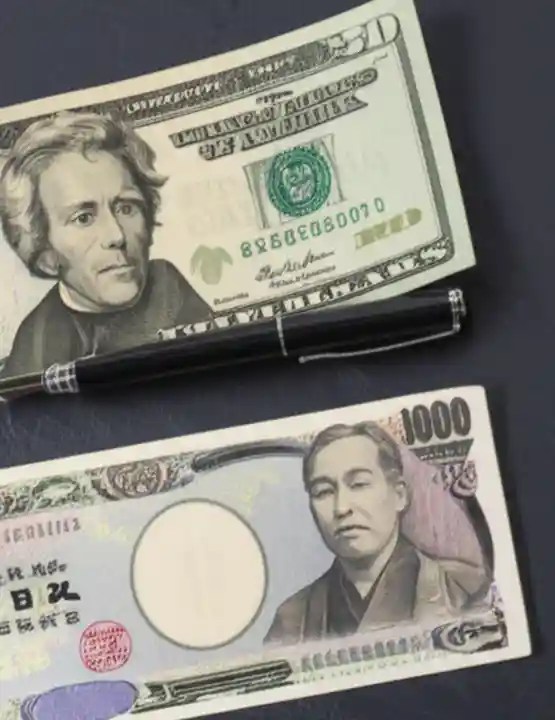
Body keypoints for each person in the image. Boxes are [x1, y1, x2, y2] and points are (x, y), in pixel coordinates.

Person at [0, 111, 212, 377]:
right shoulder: (38, 346)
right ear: (46, 255)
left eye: (126, 207)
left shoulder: (166, 284)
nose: (117, 236)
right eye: (84, 218)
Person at [264, 422, 492, 645]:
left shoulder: (466, 587)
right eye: (323, 491)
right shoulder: (291, 621)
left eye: (360, 484)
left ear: (399, 495)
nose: (341, 508)